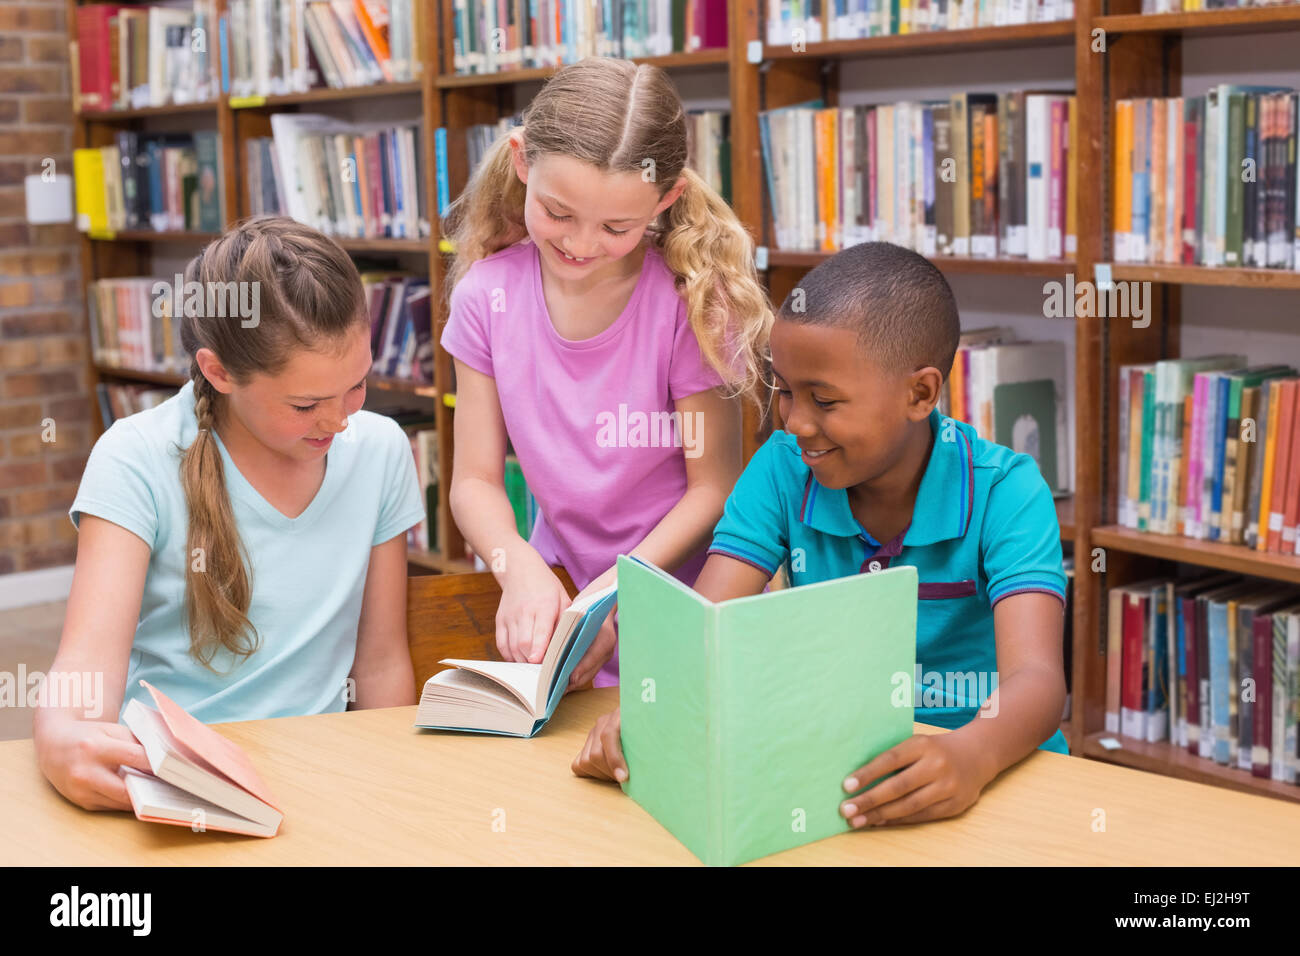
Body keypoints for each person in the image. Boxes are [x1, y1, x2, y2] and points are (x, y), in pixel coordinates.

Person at [573, 241, 1069, 829]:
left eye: (825, 400)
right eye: (784, 390)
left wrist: (972, 753)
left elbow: (1037, 682)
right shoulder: (783, 470)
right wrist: (649, 711)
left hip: (993, 778)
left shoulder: (1007, 492)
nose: (795, 423)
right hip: (836, 782)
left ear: (921, 394)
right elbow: (705, 632)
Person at [36, 217, 424, 811]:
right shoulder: (134, 457)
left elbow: (381, 663)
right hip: (179, 784)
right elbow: (85, 671)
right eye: (304, 403)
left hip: (325, 783)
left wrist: (399, 791)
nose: (339, 420)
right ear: (218, 372)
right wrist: (65, 741)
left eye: (356, 385)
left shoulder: (381, 451)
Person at [441, 57, 772, 688]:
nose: (581, 244)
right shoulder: (487, 296)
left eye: (617, 226)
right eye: (558, 213)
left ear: (665, 198)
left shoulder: (690, 301)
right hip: (559, 600)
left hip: (688, 605)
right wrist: (519, 568)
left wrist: (613, 589)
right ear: (521, 162)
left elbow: (713, 489)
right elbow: (475, 481)